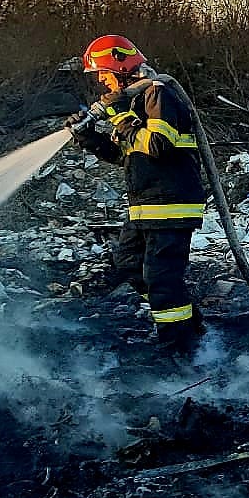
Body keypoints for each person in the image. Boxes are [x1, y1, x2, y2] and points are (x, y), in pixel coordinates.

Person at [66, 34, 207, 354]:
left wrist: (120, 116)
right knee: (129, 264)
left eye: (103, 73)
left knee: (162, 282)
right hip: (146, 206)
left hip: (171, 204)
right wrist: (90, 137)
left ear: (120, 66)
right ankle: (190, 329)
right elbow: (128, 156)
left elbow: (159, 146)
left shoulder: (159, 94)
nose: (102, 82)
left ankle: (180, 355)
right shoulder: (134, 102)